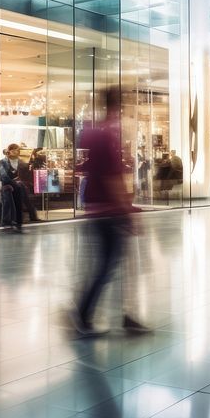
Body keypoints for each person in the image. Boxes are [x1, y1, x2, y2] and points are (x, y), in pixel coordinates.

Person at [71, 89, 150, 336]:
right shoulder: (107, 137)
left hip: (96, 208)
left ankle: (120, 316)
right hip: (109, 210)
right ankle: (86, 315)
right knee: (108, 265)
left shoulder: (94, 134)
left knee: (110, 264)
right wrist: (126, 208)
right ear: (118, 108)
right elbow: (111, 177)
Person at [0, 143, 27, 231]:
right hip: (7, 185)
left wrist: (20, 182)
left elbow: (25, 174)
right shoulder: (3, 162)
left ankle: (18, 221)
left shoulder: (21, 162)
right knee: (7, 203)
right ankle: (6, 222)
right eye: (13, 150)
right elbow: (2, 176)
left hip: (19, 186)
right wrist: (14, 182)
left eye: (16, 150)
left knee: (18, 203)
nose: (15, 152)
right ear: (9, 151)